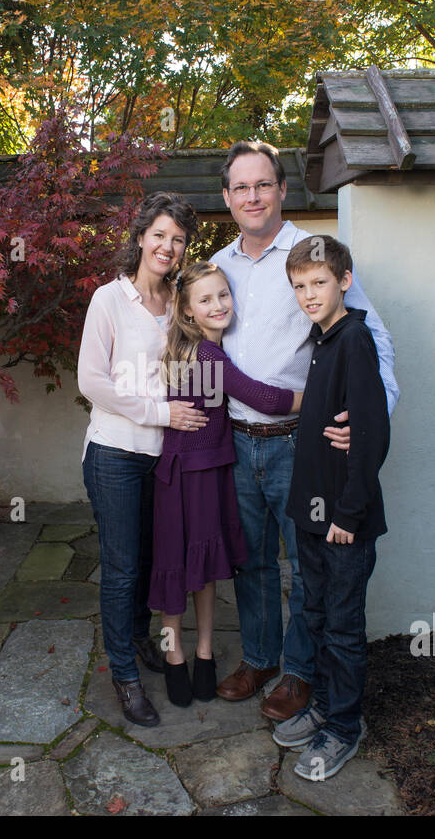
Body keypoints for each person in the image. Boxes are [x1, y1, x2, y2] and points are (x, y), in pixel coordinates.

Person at [210, 140, 399, 720]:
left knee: (308, 570)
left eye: (262, 184)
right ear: (226, 197)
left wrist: (368, 422)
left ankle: (299, 672)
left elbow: (375, 342)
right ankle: (261, 656)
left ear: (282, 190)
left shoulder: (311, 257)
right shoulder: (220, 266)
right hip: (238, 440)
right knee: (253, 561)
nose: (252, 196)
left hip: (302, 442)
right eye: (240, 187)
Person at [77, 192, 208, 727]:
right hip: (114, 453)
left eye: (177, 239)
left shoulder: (181, 301)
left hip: (166, 457)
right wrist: (160, 412)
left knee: (152, 561)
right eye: (159, 235)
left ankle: (136, 638)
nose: (168, 246)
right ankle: (126, 677)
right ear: (139, 237)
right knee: (123, 566)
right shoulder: (109, 299)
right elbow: (92, 382)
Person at [148, 261, 301, 708]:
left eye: (223, 295)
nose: (218, 305)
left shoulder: (199, 348)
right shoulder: (204, 353)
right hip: (185, 476)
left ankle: (204, 651)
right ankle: (176, 654)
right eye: (205, 299)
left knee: (207, 565)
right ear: (188, 311)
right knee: (179, 565)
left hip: (211, 469)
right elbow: (264, 399)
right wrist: (323, 398)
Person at [273, 236, 389, 780]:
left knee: (343, 627)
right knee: (314, 615)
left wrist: (347, 513)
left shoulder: (355, 339)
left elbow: (371, 433)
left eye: (319, 282)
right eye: (299, 286)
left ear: (344, 281)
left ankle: (343, 727)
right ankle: (321, 704)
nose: (309, 294)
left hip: (344, 521)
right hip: (312, 516)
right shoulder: (323, 341)